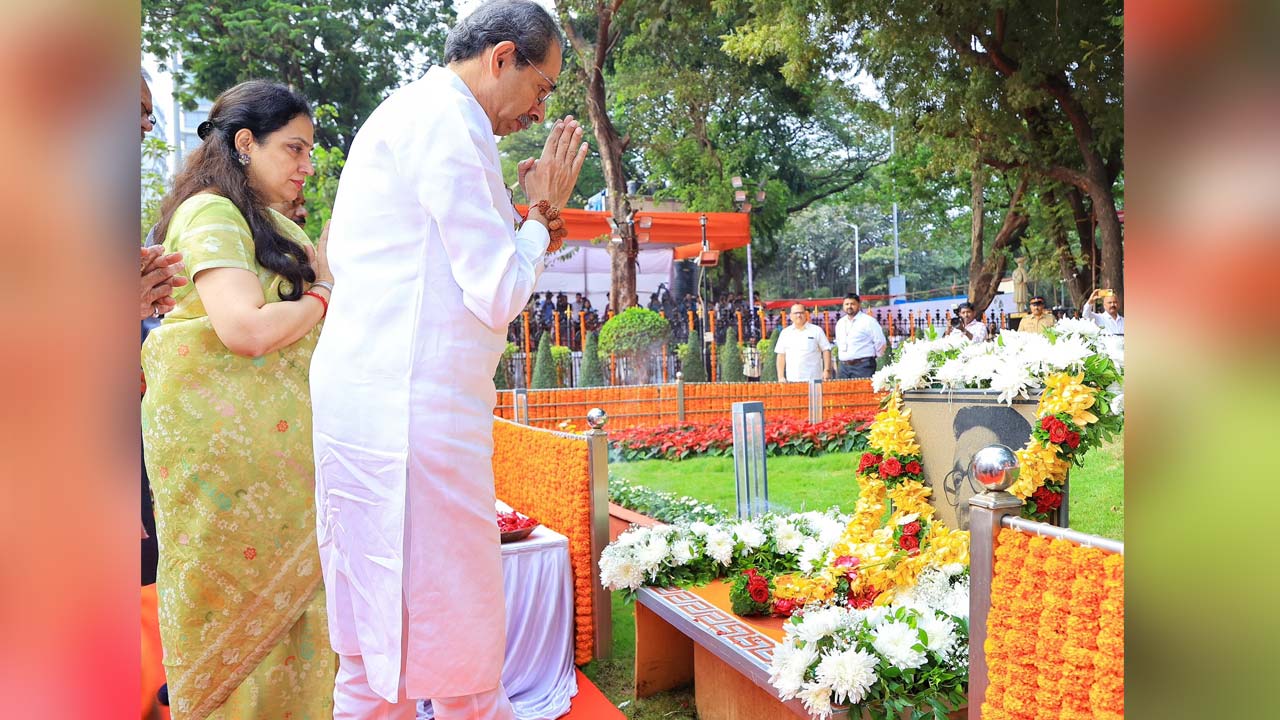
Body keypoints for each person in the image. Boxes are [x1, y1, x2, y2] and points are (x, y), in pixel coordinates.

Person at [307, 1, 588, 717]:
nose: (539, 108)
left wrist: (533, 223)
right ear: (502, 58)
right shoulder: (447, 123)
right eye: (543, 86)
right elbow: (498, 290)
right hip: (413, 421)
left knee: (373, 656)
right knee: (460, 647)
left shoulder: (417, 115)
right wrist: (537, 214)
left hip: (373, 411)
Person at [141, 80, 336, 717]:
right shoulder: (209, 212)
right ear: (246, 143)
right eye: (296, 150)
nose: (308, 166)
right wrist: (323, 291)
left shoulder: (267, 223)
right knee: (230, 612)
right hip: (226, 464)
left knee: (300, 620)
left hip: (282, 459)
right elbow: (244, 329)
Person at [775, 303, 833, 381]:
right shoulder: (785, 333)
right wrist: (781, 376)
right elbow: (781, 355)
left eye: (801, 312)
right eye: (795, 313)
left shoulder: (816, 330)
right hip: (793, 379)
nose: (799, 315)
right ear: (791, 316)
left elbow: (826, 350)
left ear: (806, 314)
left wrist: (826, 370)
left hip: (814, 378)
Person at [834, 293, 886, 379]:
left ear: (859, 305)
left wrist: (874, 356)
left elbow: (880, 341)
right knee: (842, 392)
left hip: (863, 366)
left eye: (852, 304)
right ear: (843, 306)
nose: (849, 306)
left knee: (863, 391)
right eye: (847, 304)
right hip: (843, 367)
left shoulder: (868, 321)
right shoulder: (840, 323)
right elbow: (839, 343)